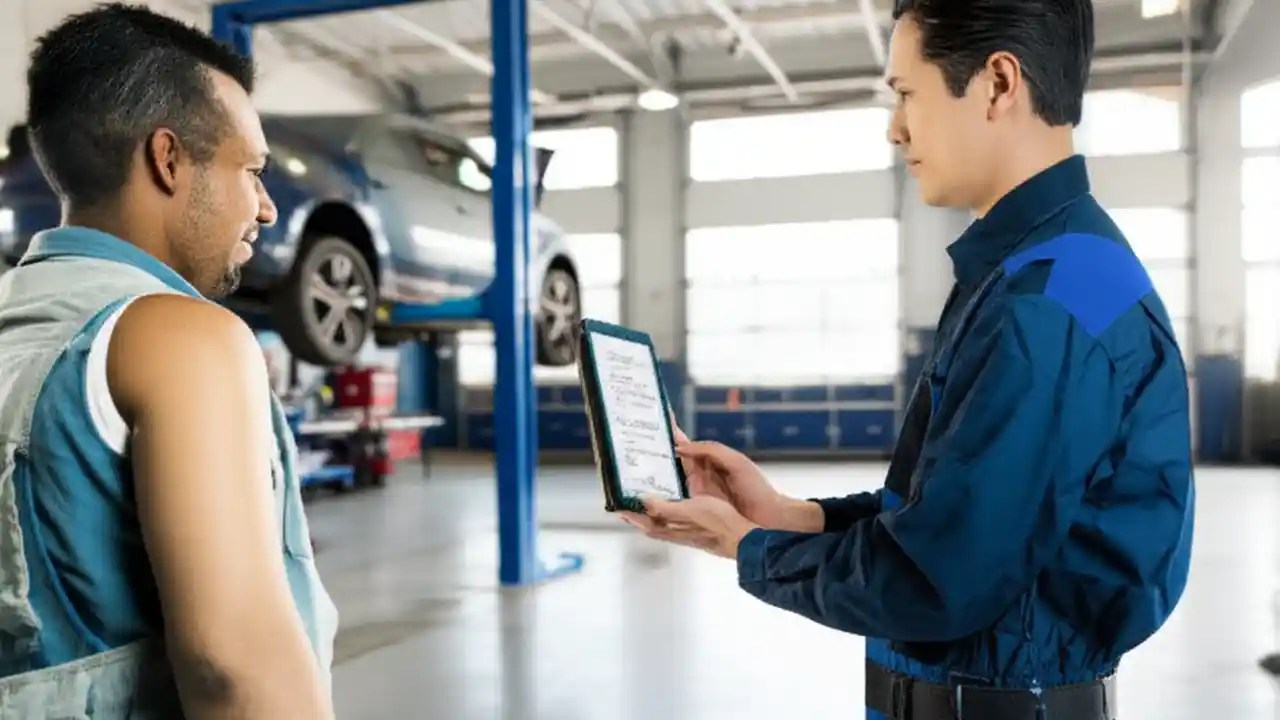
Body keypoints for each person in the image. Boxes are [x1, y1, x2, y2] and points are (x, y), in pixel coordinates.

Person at [622, 1, 1195, 718]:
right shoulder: (1059, 269)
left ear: (996, 83)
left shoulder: (1045, 304)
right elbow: (959, 512)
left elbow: (938, 578)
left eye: (905, 94)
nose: (895, 129)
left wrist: (750, 548)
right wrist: (785, 515)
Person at [0, 4, 336, 718]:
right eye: (251, 170)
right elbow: (232, 666)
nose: (267, 208)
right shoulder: (181, 339)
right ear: (169, 159)